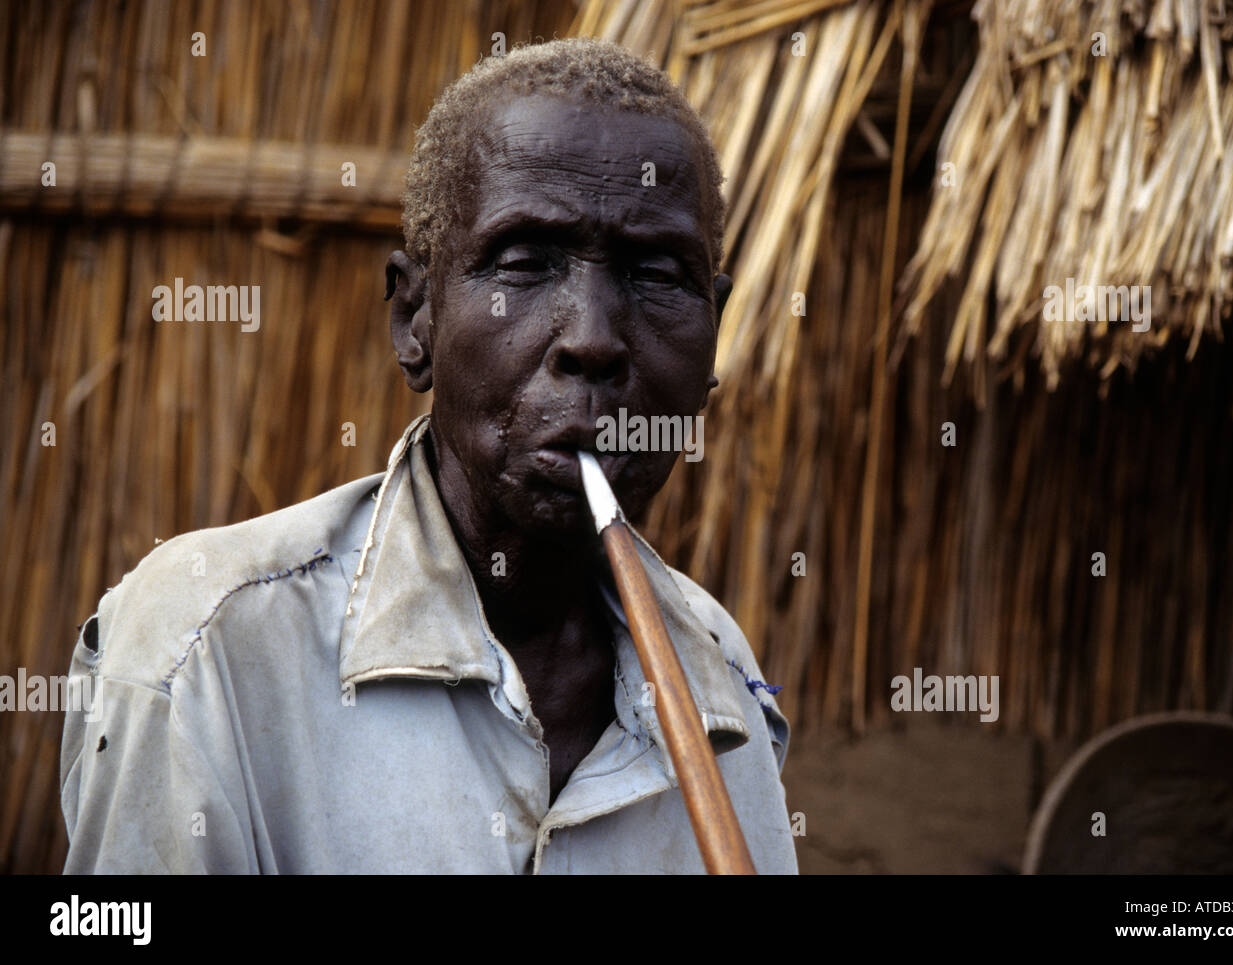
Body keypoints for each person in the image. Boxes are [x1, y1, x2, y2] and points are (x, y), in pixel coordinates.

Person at [60, 37, 797, 874]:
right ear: (416, 323)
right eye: (525, 262)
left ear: (712, 342)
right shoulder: (205, 651)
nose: (593, 340)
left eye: (657, 274)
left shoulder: (724, 689)